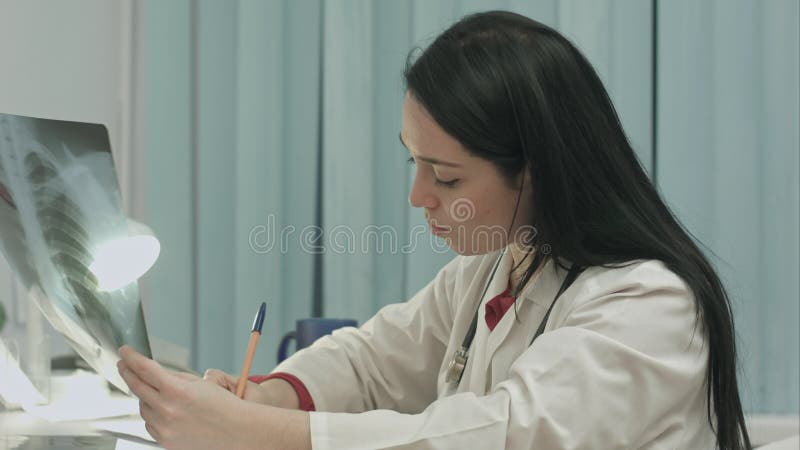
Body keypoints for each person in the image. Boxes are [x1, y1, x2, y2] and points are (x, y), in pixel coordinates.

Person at [117, 11, 751, 450]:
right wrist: (268, 399)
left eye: (445, 178)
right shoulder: (498, 266)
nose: (418, 197)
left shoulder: (648, 305)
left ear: (537, 171)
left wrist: (257, 436)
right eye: (413, 161)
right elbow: (374, 362)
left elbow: (505, 434)